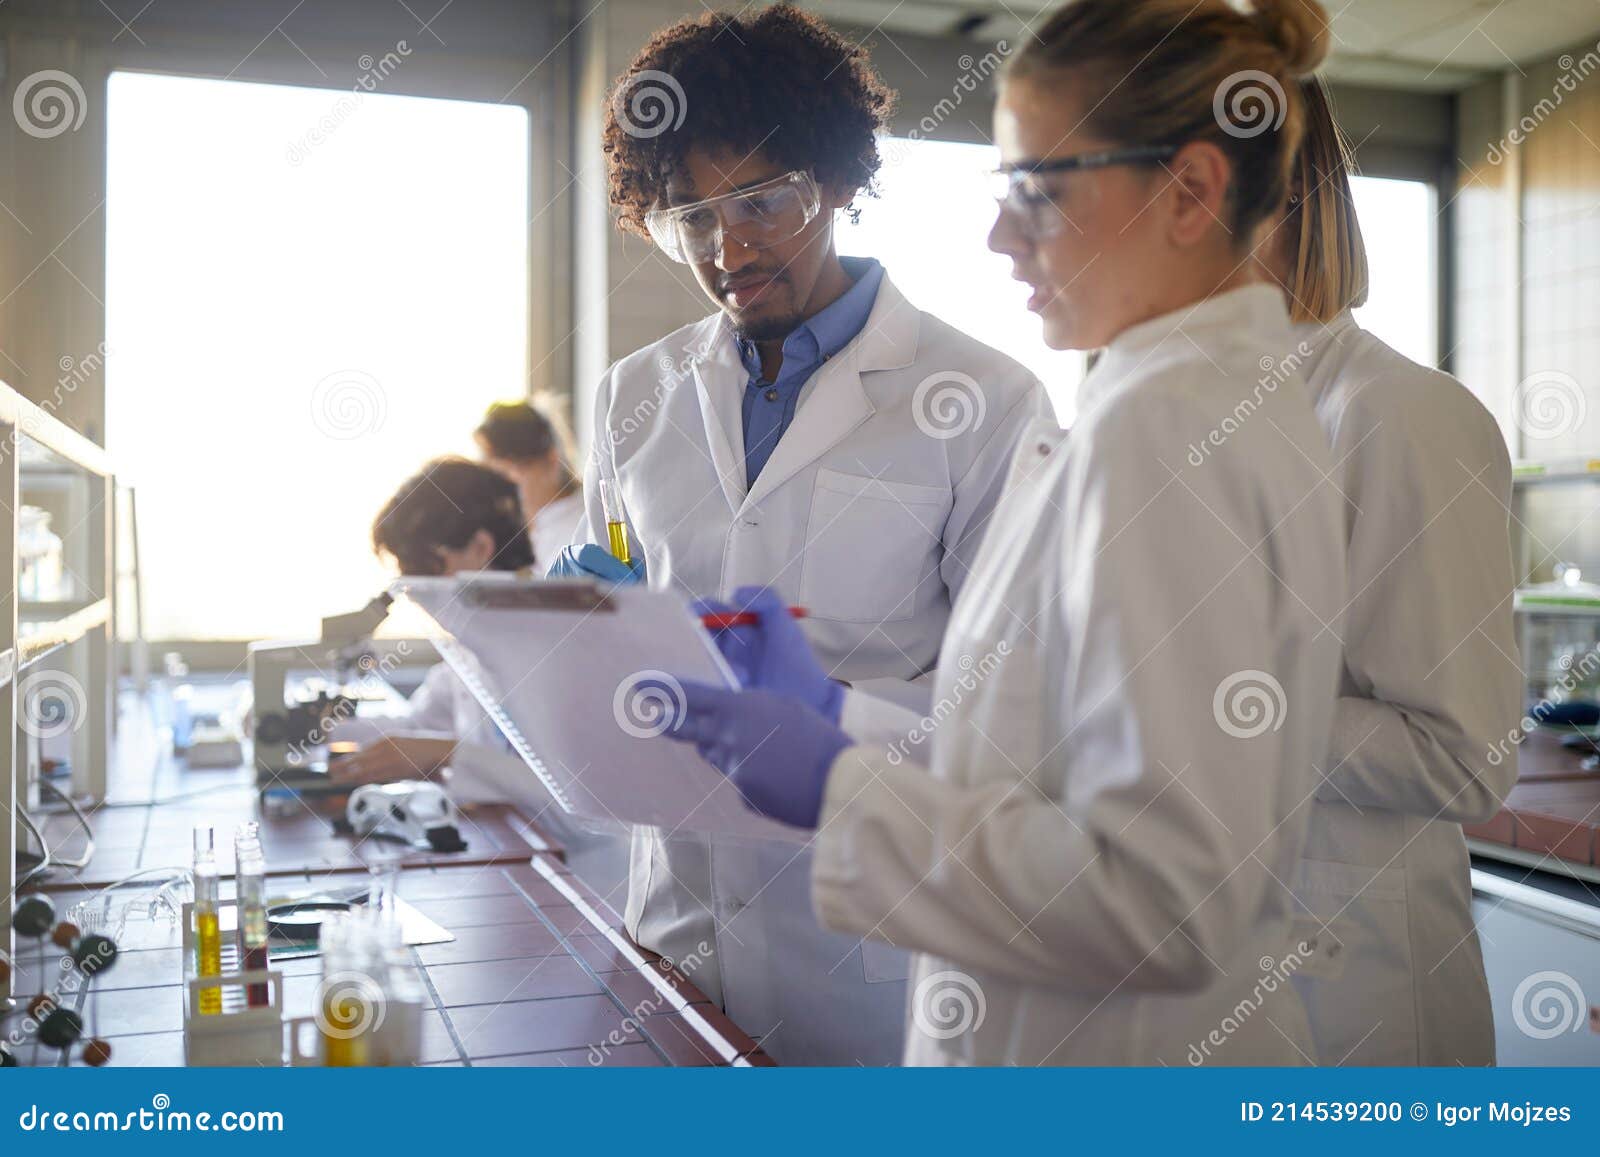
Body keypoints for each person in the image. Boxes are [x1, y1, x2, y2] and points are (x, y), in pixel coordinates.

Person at [660, 0, 1351, 1066]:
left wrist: (836, 782)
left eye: (1036, 188)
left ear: (1191, 189)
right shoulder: (1204, 399)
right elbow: (1053, 773)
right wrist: (829, 715)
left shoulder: (1163, 432)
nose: (997, 234)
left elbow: (1161, 902)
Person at [551, 4, 1045, 1064]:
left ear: (835, 183)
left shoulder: (985, 398)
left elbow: (1019, 713)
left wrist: (826, 722)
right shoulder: (632, 393)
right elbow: (630, 647)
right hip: (675, 925)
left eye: (763, 201)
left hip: (869, 943)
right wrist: (582, 635)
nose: (729, 247)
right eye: (689, 216)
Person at [1253, 77, 1519, 1065]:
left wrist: (1212, 696)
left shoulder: (1396, 413)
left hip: (1352, 1004)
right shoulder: (1187, 416)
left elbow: (1463, 756)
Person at [331, 457, 626, 892]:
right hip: (514, 867)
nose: (412, 588)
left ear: (480, 548)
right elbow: (417, 729)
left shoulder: (560, 638)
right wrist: (318, 727)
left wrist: (453, 755)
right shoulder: (468, 643)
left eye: (423, 564)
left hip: (594, 886)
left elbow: (589, 809)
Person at [475, 397, 586, 568]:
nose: (499, 490)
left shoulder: (585, 528)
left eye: (507, 473)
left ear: (552, 461)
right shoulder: (521, 530)